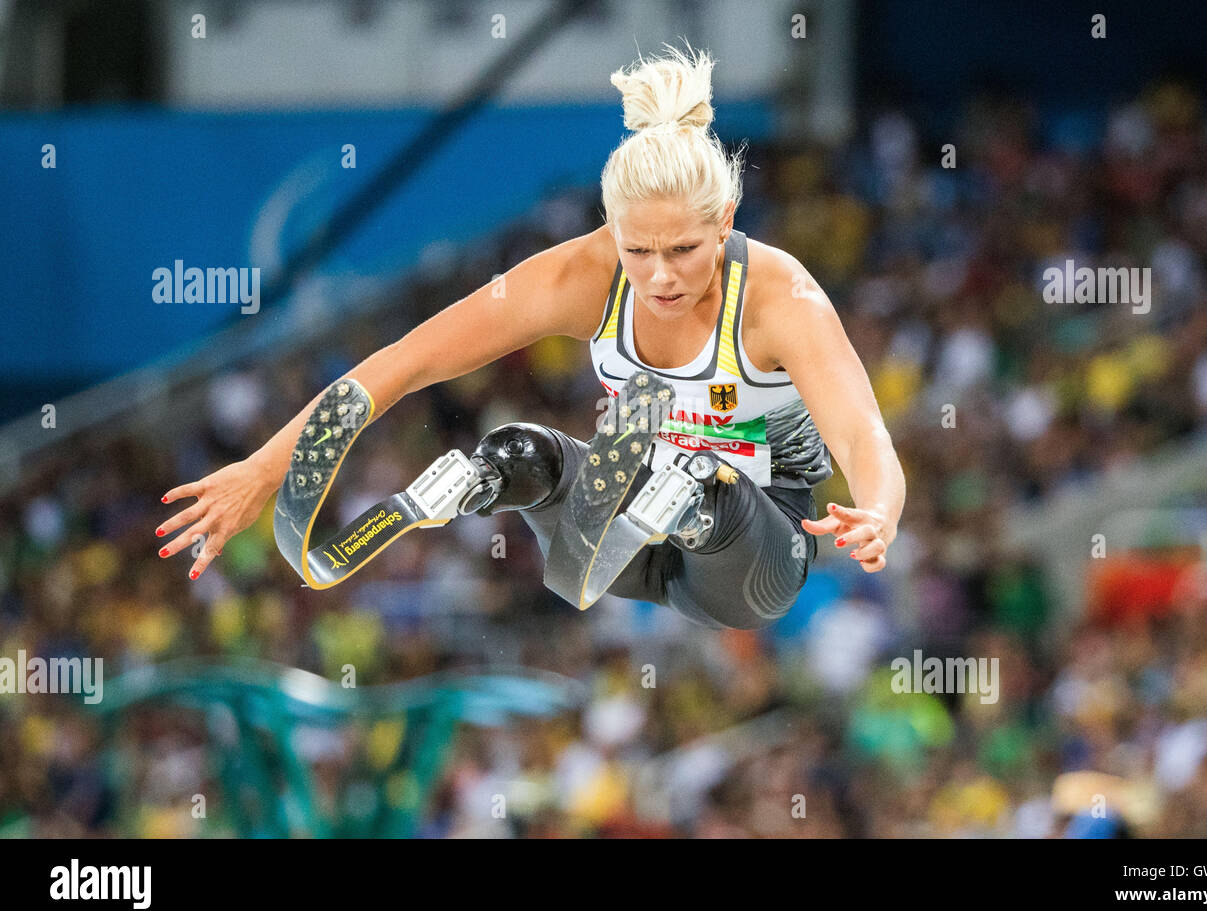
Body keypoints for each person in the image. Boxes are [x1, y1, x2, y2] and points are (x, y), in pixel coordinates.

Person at [154, 43, 906, 631]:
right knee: (523, 448)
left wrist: (878, 511)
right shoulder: (582, 273)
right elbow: (406, 362)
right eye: (638, 251)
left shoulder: (781, 299)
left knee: (716, 493)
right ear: (612, 228)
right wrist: (263, 468)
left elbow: (865, 435)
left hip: (752, 558)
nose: (661, 277)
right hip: (617, 541)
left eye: (684, 251)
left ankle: (692, 501)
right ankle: (482, 481)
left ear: (727, 219)